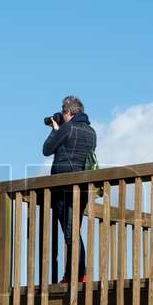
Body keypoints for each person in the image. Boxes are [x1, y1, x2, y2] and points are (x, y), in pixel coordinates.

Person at [42, 95, 97, 282]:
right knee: (73, 230)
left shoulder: (67, 127)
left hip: (62, 187)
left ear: (67, 112)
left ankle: (77, 274)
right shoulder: (91, 131)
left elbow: (47, 149)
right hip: (81, 188)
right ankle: (76, 273)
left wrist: (54, 130)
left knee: (70, 232)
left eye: (63, 113)